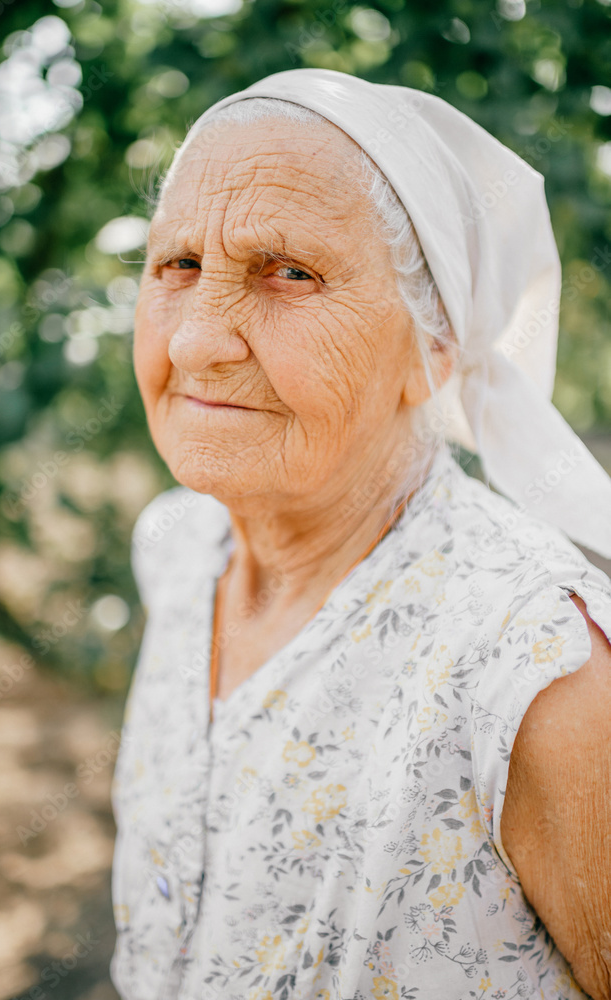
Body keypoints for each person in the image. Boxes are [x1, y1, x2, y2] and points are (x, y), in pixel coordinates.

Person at [110, 68, 611, 1000]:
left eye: (289, 273)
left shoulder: (539, 672)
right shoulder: (178, 552)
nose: (194, 342)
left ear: (434, 349)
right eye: (177, 266)